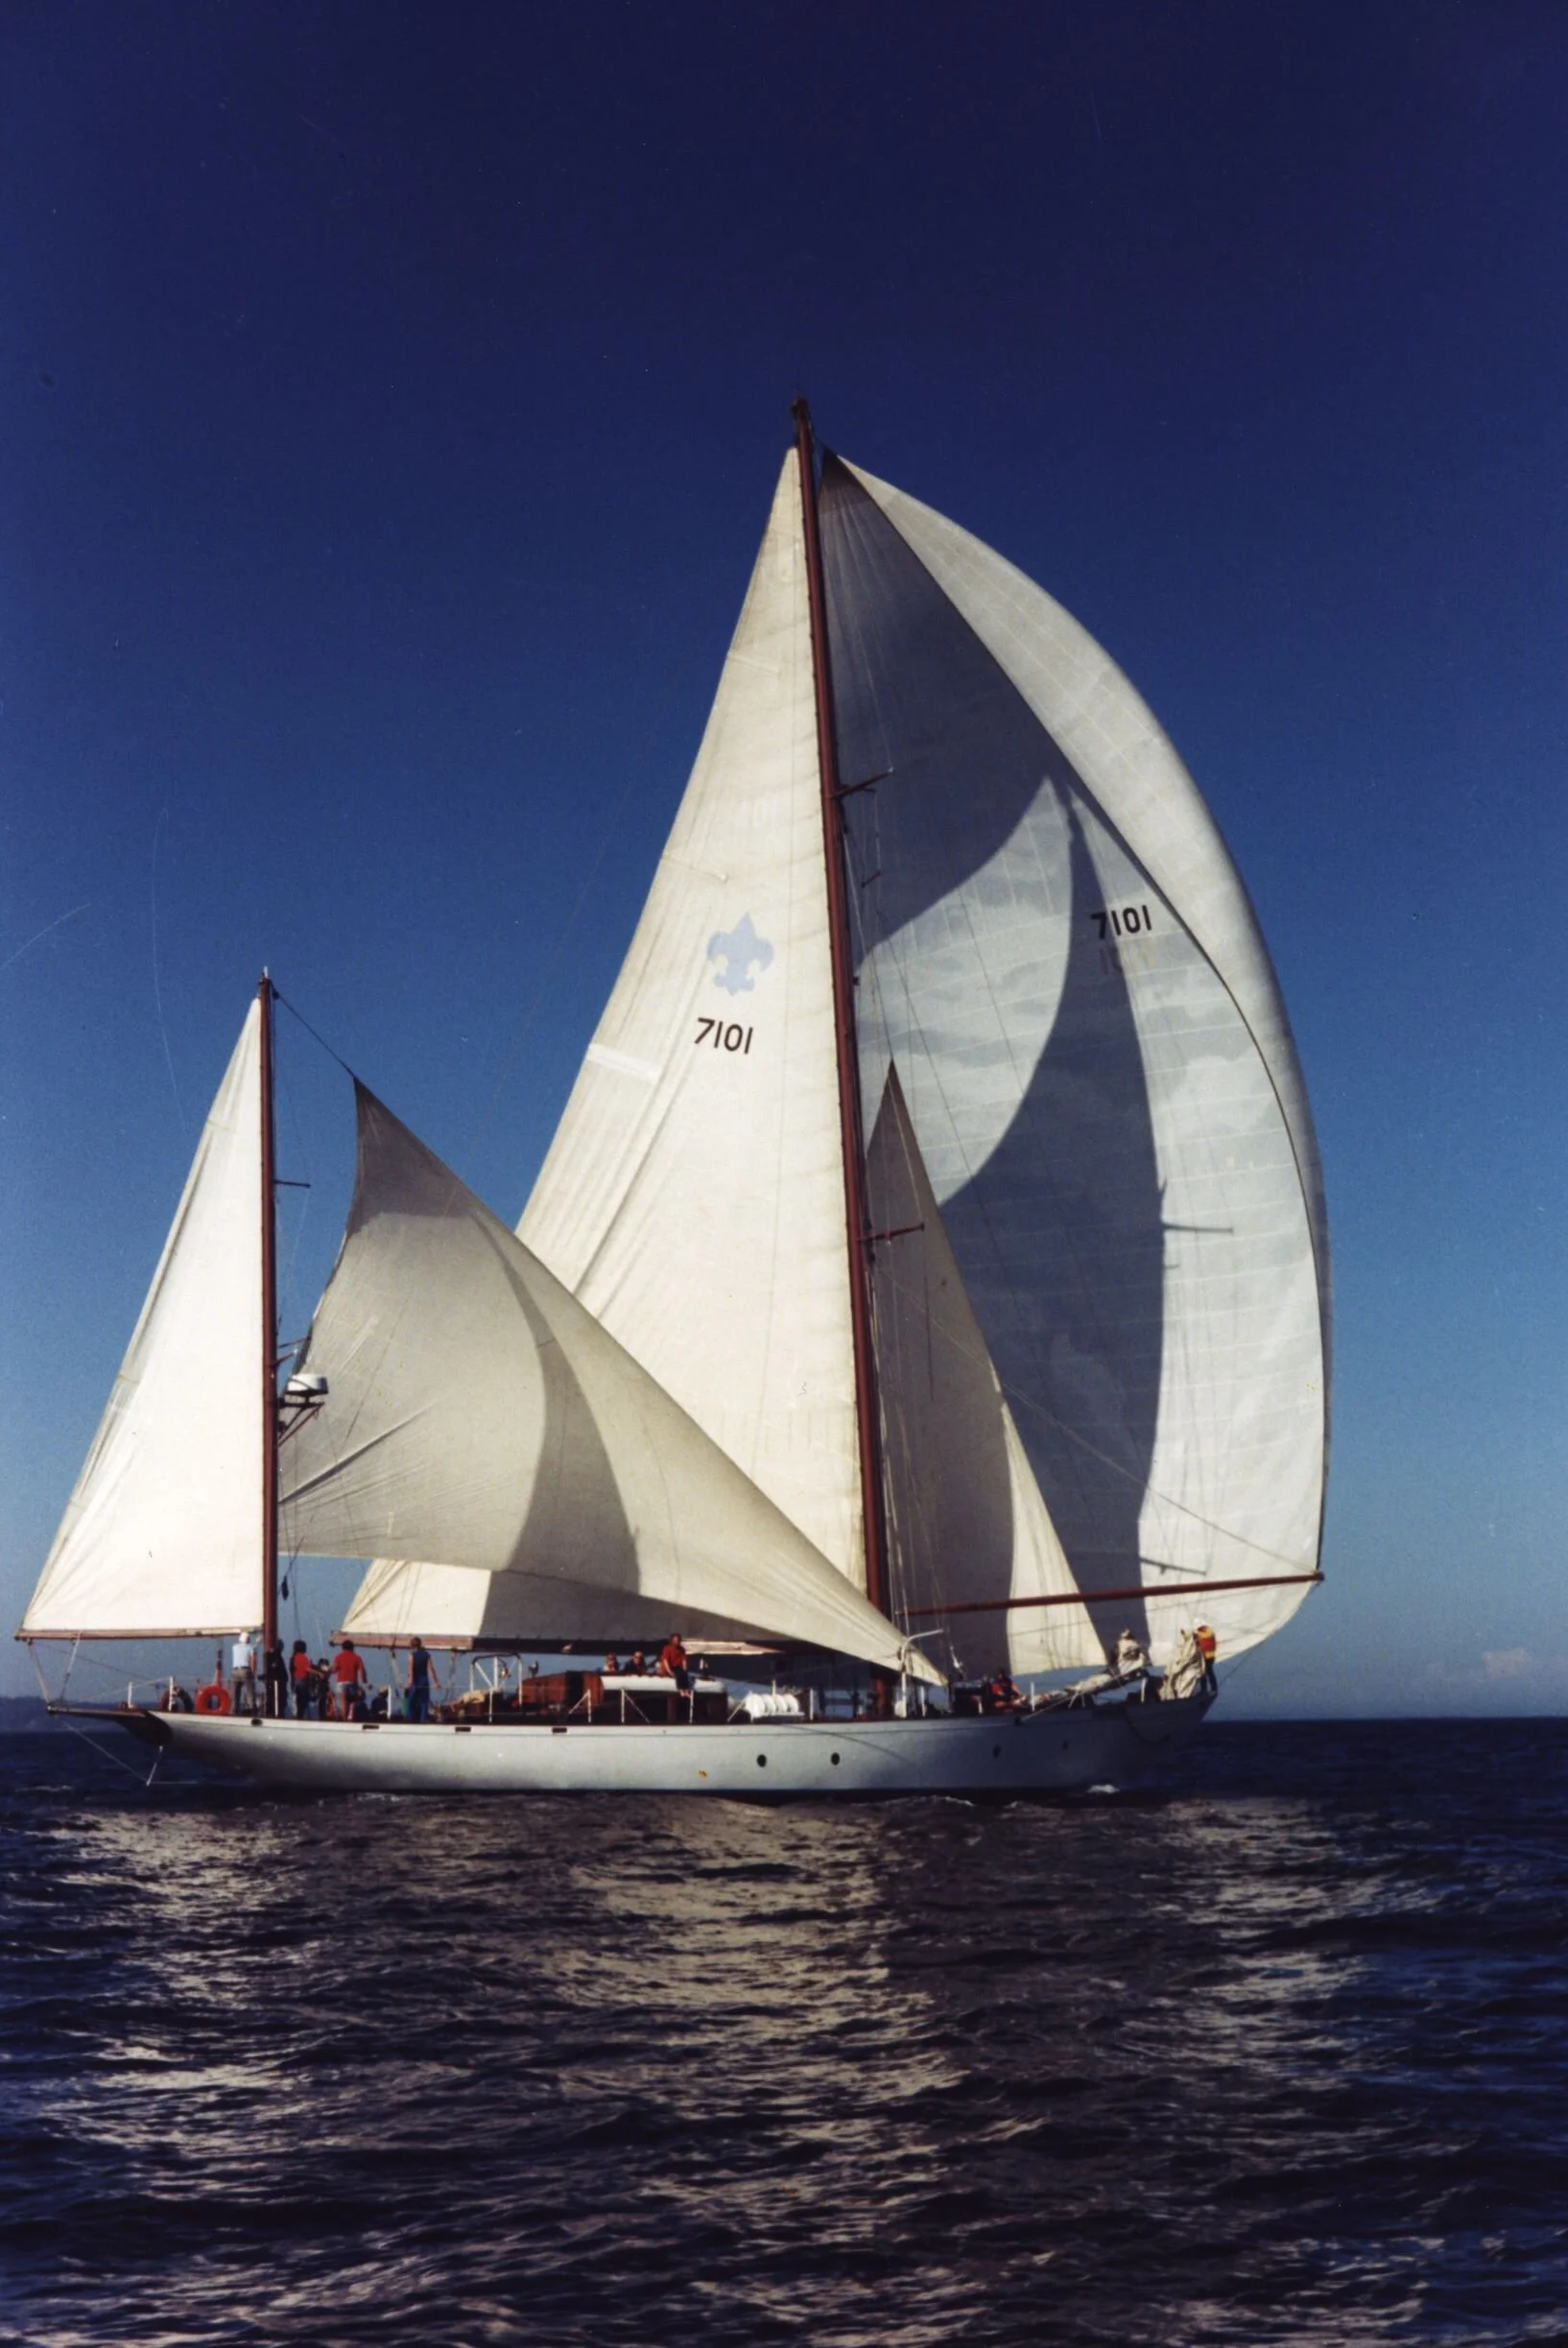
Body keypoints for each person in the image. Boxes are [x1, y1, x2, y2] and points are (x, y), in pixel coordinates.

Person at [404, 1636, 440, 1723]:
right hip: (424, 1681)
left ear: (412, 1645)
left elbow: (411, 1670)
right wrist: (436, 1682)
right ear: (420, 1644)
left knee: (411, 1700)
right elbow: (430, 1669)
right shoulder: (426, 1655)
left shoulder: (411, 1655)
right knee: (424, 1702)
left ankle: (410, 1719)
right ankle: (423, 1720)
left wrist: (410, 1682)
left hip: (415, 1681)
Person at [332, 1638, 368, 1720]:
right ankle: (351, 1716)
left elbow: (334, 1669)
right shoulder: (357, 1657)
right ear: (352, 1648)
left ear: (342, 1648)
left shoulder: (338, 1657)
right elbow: (362, 1671)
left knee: (343, 1702)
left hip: (341, 1682)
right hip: (352, 1681)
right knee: (352, 1700)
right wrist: (364, 1680)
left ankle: (344, 1719)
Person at [229, 1630, 258, 1716]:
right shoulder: (251, 1648)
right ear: (247, 1639)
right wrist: (253, 1673)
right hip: (245, 1670)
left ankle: (233, 1712)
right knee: (250, 1692)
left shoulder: (234, 1647)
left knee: (235, 1694)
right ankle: (253, 1711)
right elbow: (253, 1660)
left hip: (235, 1671)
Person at [263, 1642, 289, 1719]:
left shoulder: (269, 1656)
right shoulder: (276, 1656)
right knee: (276, 1699)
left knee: (274, 1698)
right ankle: (275, 1713)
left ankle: (273, 1712)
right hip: (276, 1683)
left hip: (274, 1682)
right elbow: (275, 1669)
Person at [290, 1639, 313, 1719]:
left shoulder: (293, 1658)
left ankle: (298, 1715)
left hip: (295, 1681)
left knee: (297, 1700)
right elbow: (307, 1668)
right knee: (302, 1701)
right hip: (302, 1681)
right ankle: (300, 1716)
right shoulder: (302, 1657)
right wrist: (318, 1673)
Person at [1195, 1623, 1219, 1695]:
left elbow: (1204, 1644)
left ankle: (1207, 1689)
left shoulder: (1204, 1636)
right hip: (1208, 1657)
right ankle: (1210, 1688)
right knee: (1206, 1673)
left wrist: (1197, 1638)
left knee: (1206, 1673)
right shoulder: (1208, 1636)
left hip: (1206, 1657)